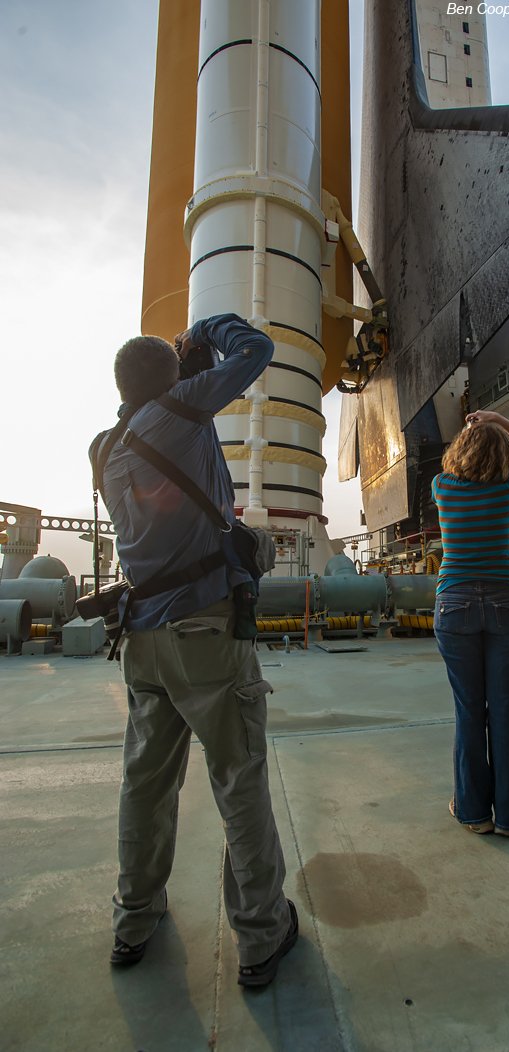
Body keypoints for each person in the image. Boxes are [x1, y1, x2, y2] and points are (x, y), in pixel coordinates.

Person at [89, 313, 297, 987]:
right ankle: (263, 935)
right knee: (239, 778)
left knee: (145, 786)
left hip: (141, 639)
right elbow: (258, 350)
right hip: (205, 632)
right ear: (172, 380)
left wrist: (179, 367)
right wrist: (208, 328)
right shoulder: (181, 410)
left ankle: (133, 920)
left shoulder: (104, 444)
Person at [432, 409, 509, 838]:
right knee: (505, 709)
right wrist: (498, 419)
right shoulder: (507, 486)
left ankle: (474, 813)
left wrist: (472, 429)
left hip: (454, 604)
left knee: (468, 711)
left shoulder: (443, 487)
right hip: (505, 604)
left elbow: (450, 463)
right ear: (500, 452)